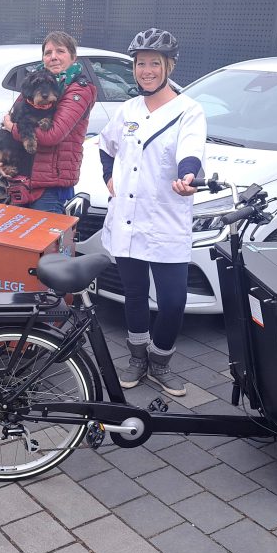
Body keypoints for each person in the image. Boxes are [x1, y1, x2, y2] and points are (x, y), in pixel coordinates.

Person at [98, 28, 207, 397]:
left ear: (169, 66)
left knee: (174, 300)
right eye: (140, 63)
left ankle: (160, 362)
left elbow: (190, 152)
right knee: (134, 294)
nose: (146, 70)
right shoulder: (126, 110)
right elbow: (106, 146)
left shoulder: (188, 111)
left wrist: (187, 174)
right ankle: (137, 357)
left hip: (165, 221)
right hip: (127, 218)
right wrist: (106, 178)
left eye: (154, 64)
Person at [1, 31, 97, 213]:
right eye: (48, 53)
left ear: (73, 57)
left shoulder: (79, 90)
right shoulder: (36, 82)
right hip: (25, 179)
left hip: (50, 187)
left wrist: (13, 128)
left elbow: (52, 135)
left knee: (46, 240)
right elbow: (16, 112)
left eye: (60, 51)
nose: (53, 57)